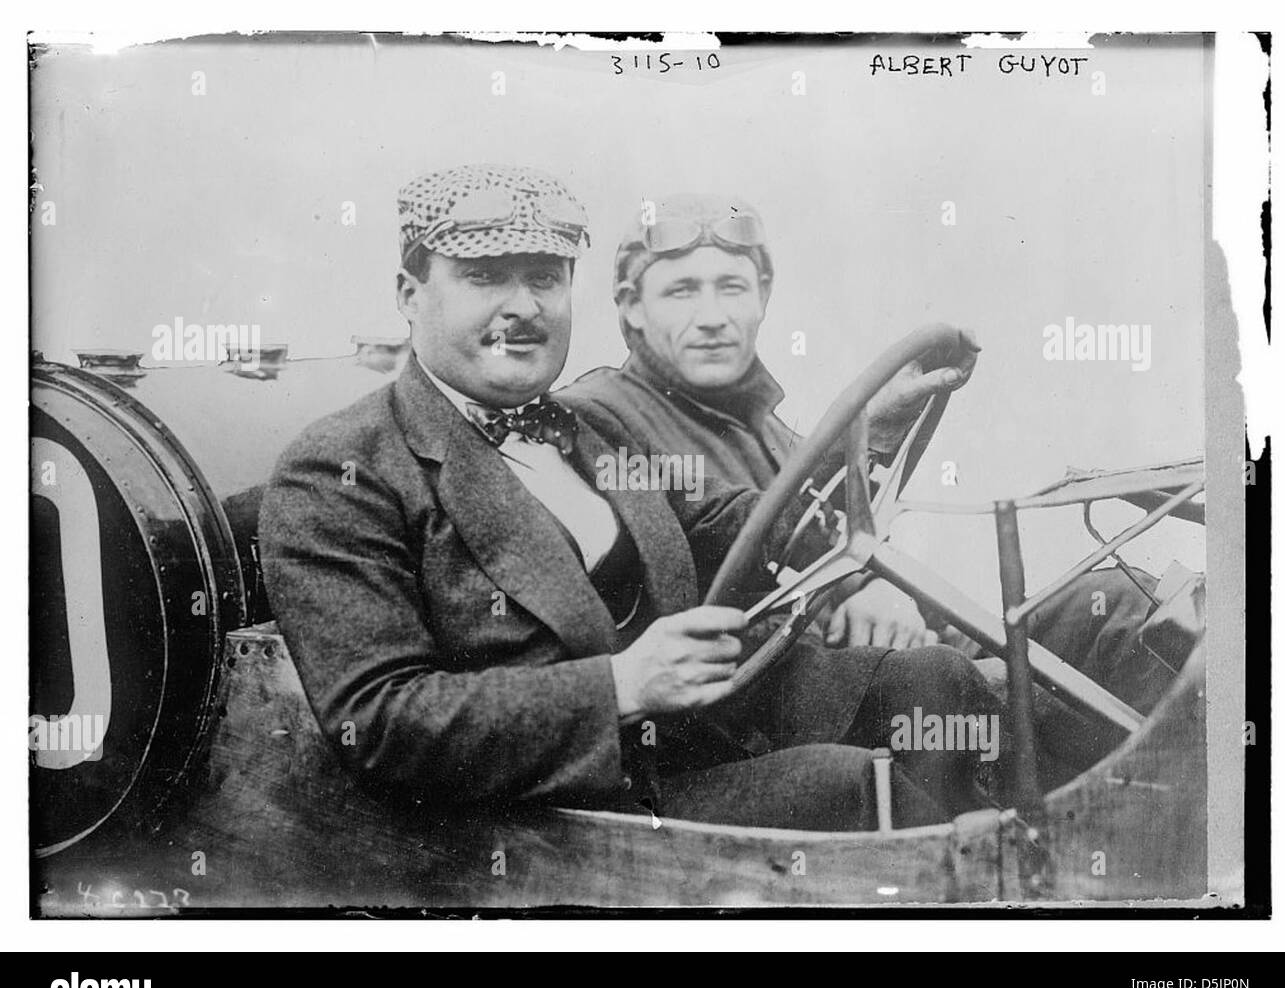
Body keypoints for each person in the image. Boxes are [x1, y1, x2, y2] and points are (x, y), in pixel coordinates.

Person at [259, 164, 1002, 832]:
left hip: (699, 730)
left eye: (545, 278)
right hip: (552, 805)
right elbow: (380, 723)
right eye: (486, 277)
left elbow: (734, 522)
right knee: (845, 792)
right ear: (408, 294)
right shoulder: (339, 471)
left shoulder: (589, 430)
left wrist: (866, 437)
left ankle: (970, 863)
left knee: (934, 681)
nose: (525, 307)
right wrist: (623, 685)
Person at [556, 193, 1175, 790]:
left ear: (763, 297)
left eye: (732, 287)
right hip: (774, 698)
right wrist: (845, 582)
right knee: (957, 694)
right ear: (631, 307)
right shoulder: (598, 418)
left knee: (1116, 603)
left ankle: (1178, 819)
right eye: (682, 291)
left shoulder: (769, 425)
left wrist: (876, 584)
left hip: (882, 650)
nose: (713, 316)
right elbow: (693, 565)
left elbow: (836, 538)